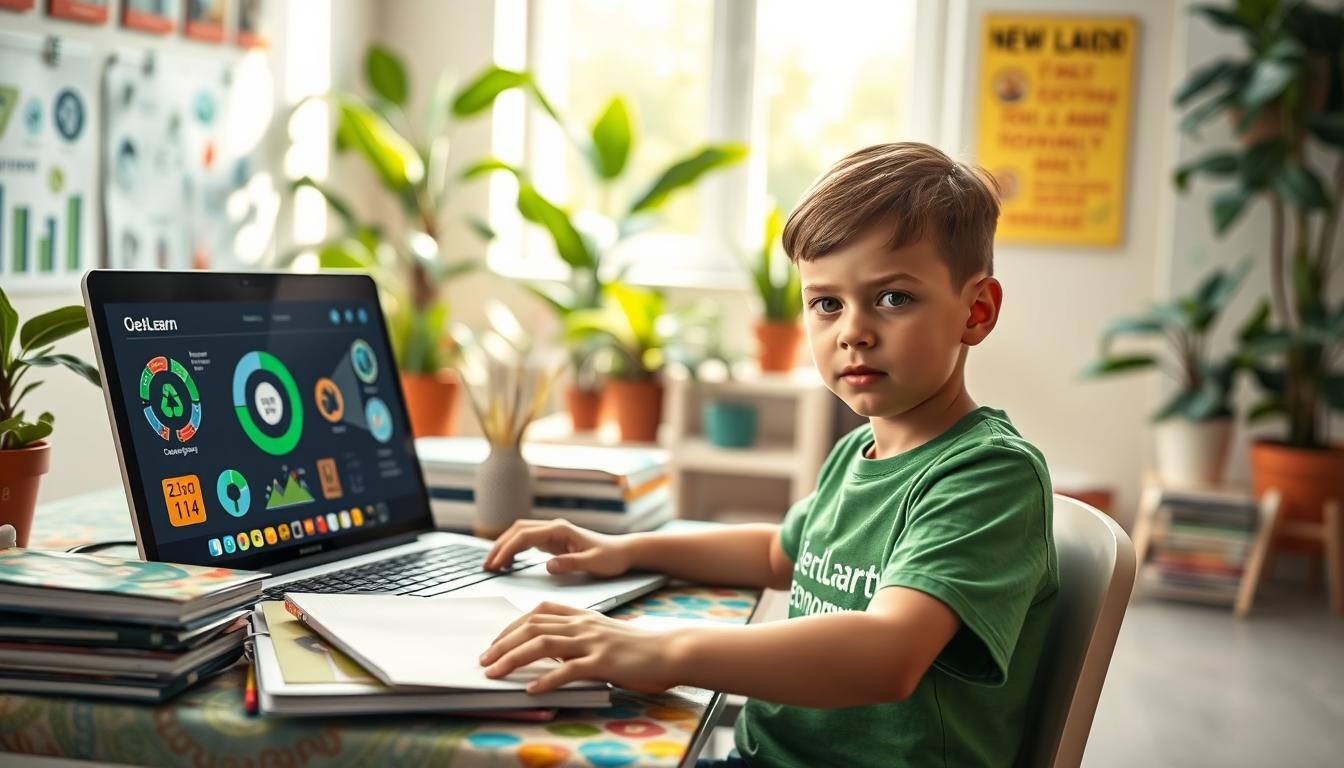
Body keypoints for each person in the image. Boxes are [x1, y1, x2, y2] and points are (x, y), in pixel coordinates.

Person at [479, 142, 1058, 767]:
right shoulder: (856, 452)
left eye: (893, 298)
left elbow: (888, 654)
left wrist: (667, 652)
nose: (852, 330)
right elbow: (778, 552)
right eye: (826, 303)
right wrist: (628, 548)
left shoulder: (988, 474)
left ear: (976, 311)